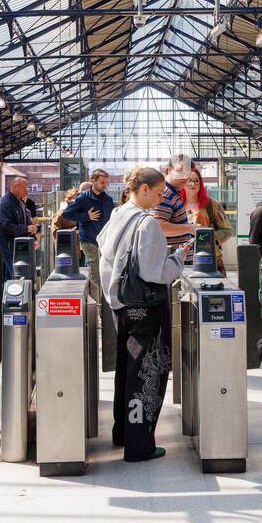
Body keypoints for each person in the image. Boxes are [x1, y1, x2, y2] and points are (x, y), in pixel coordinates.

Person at [97, 168, 187, 463]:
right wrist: (179, 258)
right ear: (144, 189)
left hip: (120, 305)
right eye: (160, 193)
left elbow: (102, 245)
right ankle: (140, 446)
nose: (162, 199)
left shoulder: (120, 213)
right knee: (148, 372)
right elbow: (153, 272)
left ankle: (122, 432)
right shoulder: (147, 223)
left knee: (127, 369)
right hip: (146, 308)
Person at [61, 168, 114, 269]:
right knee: (94, 270)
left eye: (106, 183)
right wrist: (86, 216)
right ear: (93, 181)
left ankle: (98, 285)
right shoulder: (82, 198)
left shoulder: (109, 200)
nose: (105, 185)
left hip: (105, 240)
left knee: (105, 270)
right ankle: (96, 285)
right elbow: (66, 213)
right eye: (102, 182)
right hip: (88, 240)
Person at [181, 168, 232, 271]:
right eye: (189, 180)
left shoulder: (212, 205)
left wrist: (207, 238)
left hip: (210, 260)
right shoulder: (176, 205)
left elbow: (228, 230)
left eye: (196, 180)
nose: (193, 183)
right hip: (182, 261)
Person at [0, 175, 38, 278]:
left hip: (19, 249)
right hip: (8, 249)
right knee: (12, 278)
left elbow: (26, 222)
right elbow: (5, 225)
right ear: (16, 186)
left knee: (19, 277)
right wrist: (27, 229)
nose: (27, 190)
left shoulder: (19, 202)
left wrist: (33, 237)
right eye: (25, 187)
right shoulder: (4, 204)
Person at [153, 154, 195, 249]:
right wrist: (190, 228)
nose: (185, 176)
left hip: (174, 258)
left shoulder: (173, 192)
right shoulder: (165, 193)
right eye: (180, 171)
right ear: (169, 170)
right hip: (169, 259)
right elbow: (160, 227)